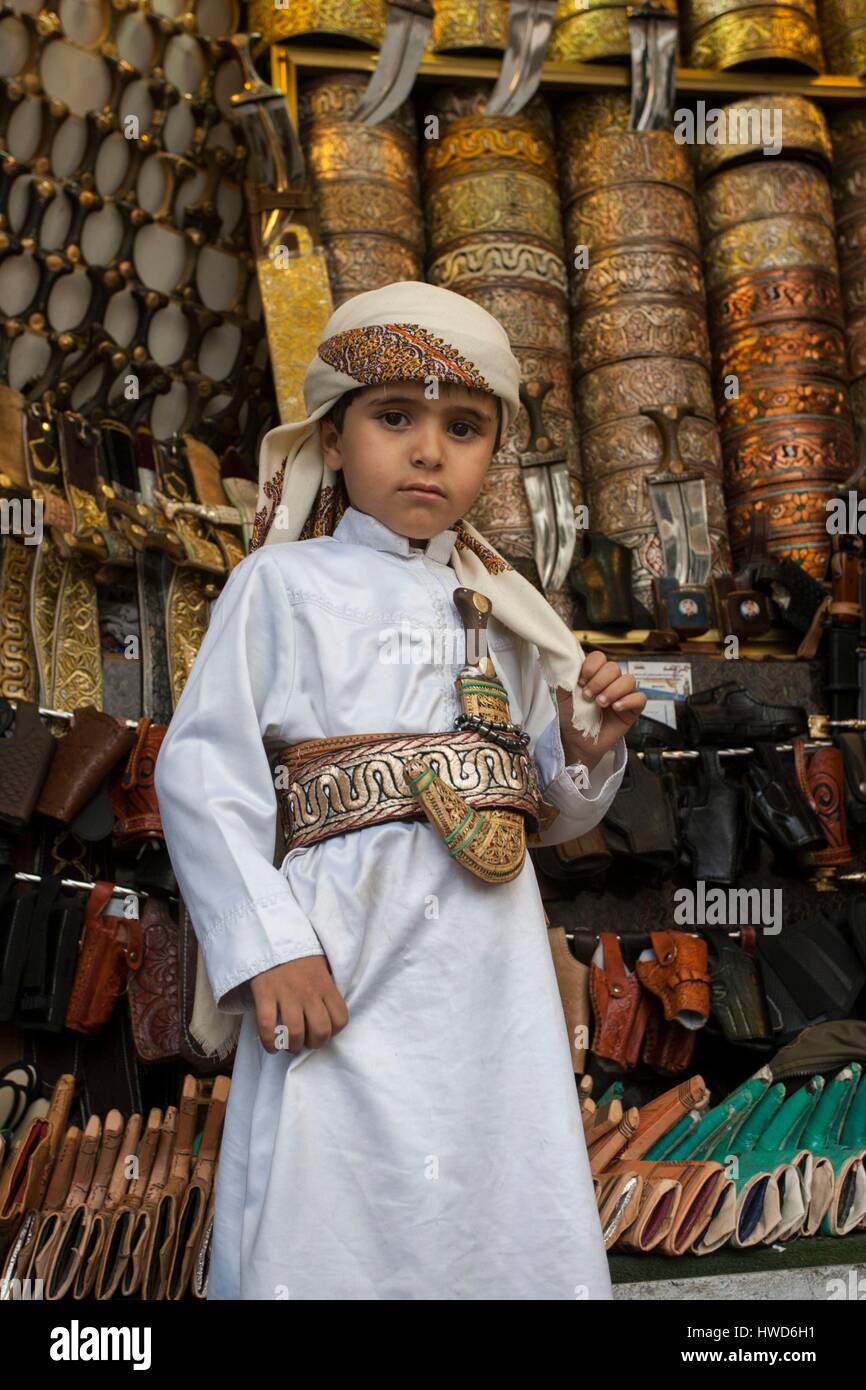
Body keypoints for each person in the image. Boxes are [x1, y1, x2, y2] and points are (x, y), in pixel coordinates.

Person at [154, 281, 647, 1300]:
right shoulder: (279, 587)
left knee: (493, 1194)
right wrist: (269, 946)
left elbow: (540, 814)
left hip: (489, 980)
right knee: (333, 1196)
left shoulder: (508, 613)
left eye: (462, 428)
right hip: (340, 958)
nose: (428, 451)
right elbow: (202, 775)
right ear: (330, 440)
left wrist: (585, 748)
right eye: (394, 418)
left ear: (489, 453)